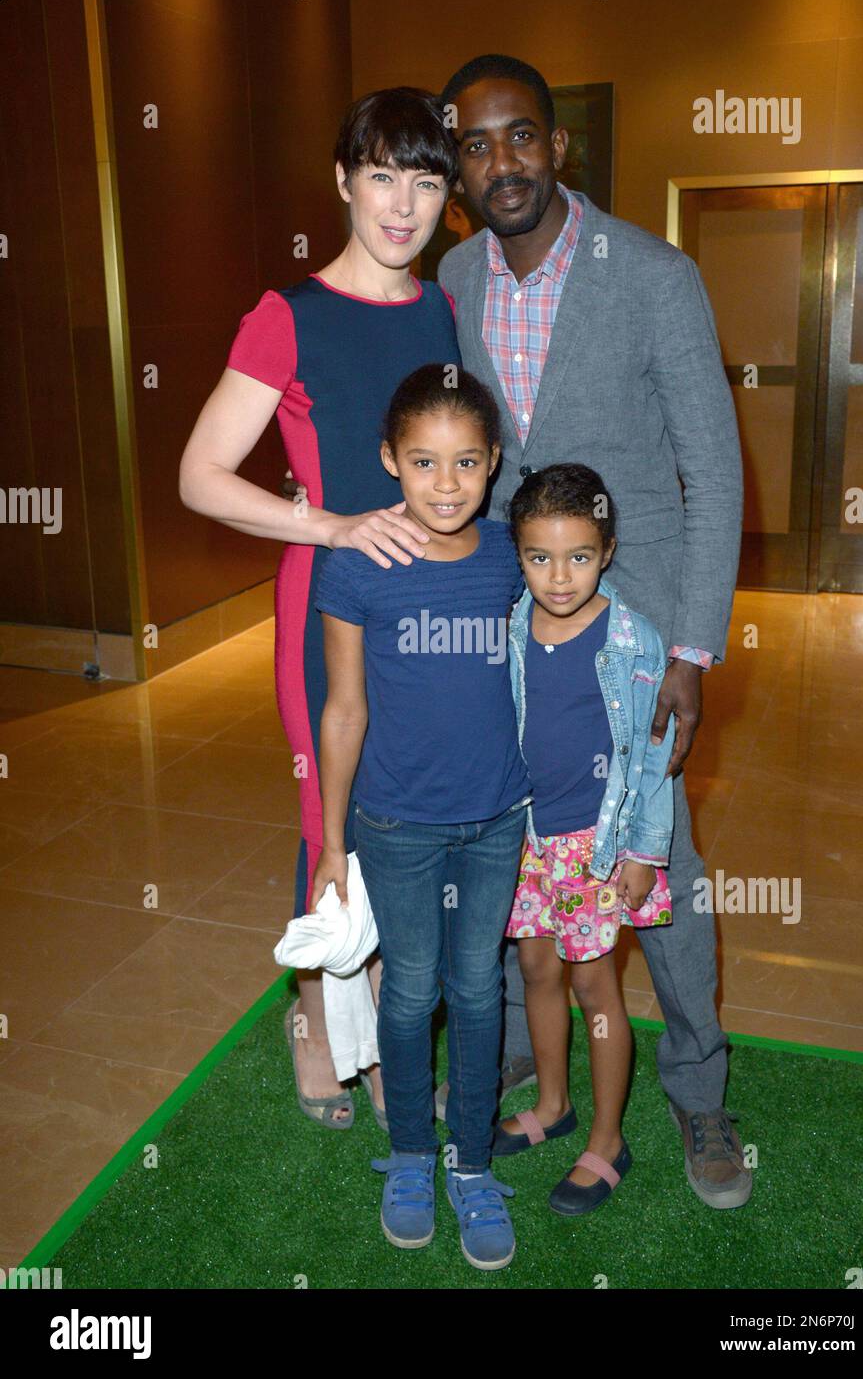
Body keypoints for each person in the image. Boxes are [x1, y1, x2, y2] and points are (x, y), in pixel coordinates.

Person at [436, 54, 751, 1207]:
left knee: (652, 852)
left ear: (557, 148)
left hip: (638, 618)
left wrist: (691, 646)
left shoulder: (653, 275)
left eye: (521, 136)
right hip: (512, 623)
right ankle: (538, 1054)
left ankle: (697, 1084)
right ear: (456, 166)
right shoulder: (456, 276)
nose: (500, 161)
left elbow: (712, 472)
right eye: (474, 143)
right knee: (518, 833)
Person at [179, 88, 460, 1128]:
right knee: (329, 818)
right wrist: (333, 524)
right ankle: (314, 1018)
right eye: (380, 175)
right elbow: (201, 475)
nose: (401, 204)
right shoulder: (284, 315)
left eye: (424, 180)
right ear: (342, 181)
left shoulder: (440, 310)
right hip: (328, 602)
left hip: (432, 608)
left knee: (408, 819)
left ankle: (386, 1030)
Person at [311, 364, 529, 1271]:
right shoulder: (356, 563)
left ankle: (470, 1165)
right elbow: (344, 707)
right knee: (409, 992)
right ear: (389, 462)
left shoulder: (513, 555)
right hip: (394, 823)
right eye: (425, 462)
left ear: (493, 466)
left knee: (477, 989)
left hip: (495, 820)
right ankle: (409, 1155)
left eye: (468, 462)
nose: (446, 485)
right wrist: (330, 840)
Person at [493, 463, 674, 1216]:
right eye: (538, 557)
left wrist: (644, 852)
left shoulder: (634, 639)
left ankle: (606, 1140)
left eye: (576, 556)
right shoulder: (509, 625)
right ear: (518, 556)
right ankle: (555, 1104)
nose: (557, 577)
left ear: (606, 549)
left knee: (595, 987)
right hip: (529, 841)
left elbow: (654, 754)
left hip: (598, 849)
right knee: (535, 971)